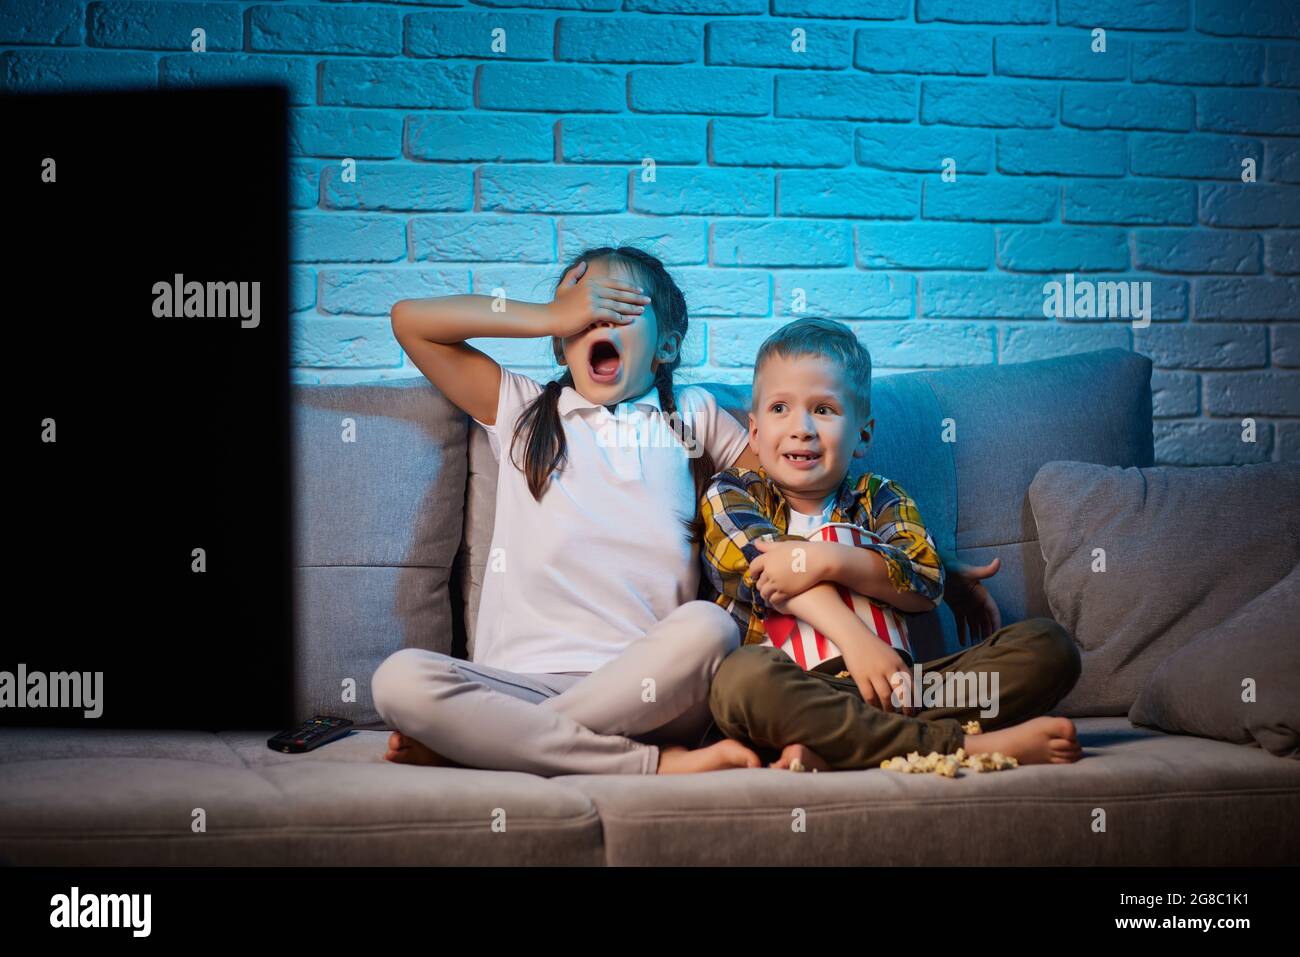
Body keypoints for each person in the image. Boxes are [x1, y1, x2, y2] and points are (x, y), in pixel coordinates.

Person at [371, 246, 769, 775]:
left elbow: (780, 491)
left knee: (711, 627)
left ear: (666, 345)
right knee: (397, 680)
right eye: (583, 311)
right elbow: (410, 322)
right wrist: (546, 316)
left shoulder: (691, 415)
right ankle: (641, 764)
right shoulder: (521, 410)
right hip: (518, 690)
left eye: (621, 309)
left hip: (651, 689)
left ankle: (488, 746)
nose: (597, 319)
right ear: (561, 346)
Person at [700, 317, 1084, 771]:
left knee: (1049, 647)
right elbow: (765, 574)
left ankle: (840, 746)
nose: (801, 427)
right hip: (795, 689)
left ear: (862, 434)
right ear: (755, 432)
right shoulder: (732, 492)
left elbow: (923, 581)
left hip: (905, 688)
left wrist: (827, 559)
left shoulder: (880, 497)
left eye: (824, 409)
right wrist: (856, 641)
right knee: (739, 682)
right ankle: (958, 745)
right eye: (780, 408)